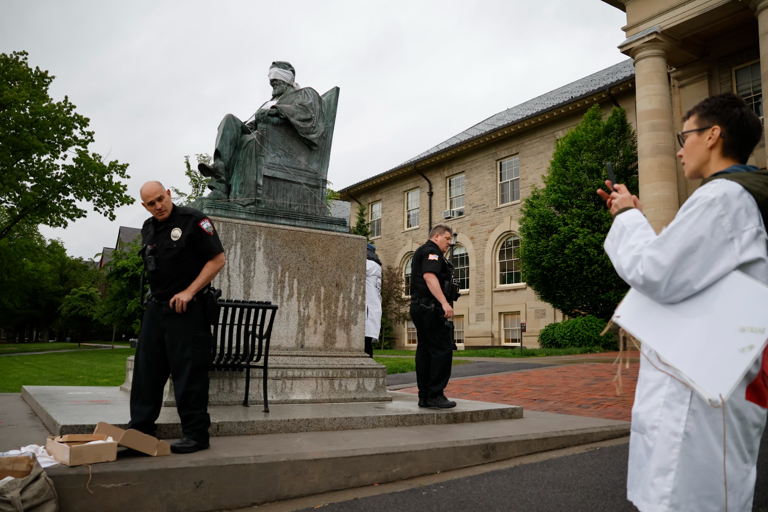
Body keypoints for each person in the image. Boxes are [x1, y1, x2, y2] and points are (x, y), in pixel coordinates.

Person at [597, 92, 768, 512]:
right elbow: (686, 273)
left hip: (703, 376)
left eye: (684, 135)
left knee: (691, 495)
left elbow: (657, 273)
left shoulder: (723, 197)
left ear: (713, 135)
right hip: (724, 362)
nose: (678, 148)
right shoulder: (741, 198)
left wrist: (625, 217)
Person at [127, 181, 226, 454]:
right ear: (144, 206)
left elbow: (217, 259)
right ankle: (139, 433)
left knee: (189, 374)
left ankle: (196, 435)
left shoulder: (195, 220)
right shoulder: (149, 228)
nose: (158, 206)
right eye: (151, 203)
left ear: (169, 194)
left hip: (187, 310)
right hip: (156, 310)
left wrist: (189, 291)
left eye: (161, 199)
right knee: (146, 373)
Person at [198, 61, 324, 204]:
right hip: (259, 134)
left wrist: (277, 111)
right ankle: (220, 181)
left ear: (287, 79)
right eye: (271, 81)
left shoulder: (304, 94)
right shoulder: (269, 102)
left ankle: (223, 178)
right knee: (230, 120)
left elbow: (307, 115)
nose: (272, 84)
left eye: (276, 80)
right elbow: (251, 124)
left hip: (282, 145)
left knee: (249, 140)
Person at [410, 224, 457, 409]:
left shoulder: (421, 251)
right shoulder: (432, 252)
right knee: (442, 349)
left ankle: (425, 396)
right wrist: (444, 303)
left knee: (425, 351)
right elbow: (430, 277)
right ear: (436, 236)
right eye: (447, 239)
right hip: (430, 308)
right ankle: (435, 394)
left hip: (420, 307)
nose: (449, 243)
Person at [365, 243, 382, 358]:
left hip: (368, 310)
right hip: (372, 309)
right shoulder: (376, 266)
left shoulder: (369, 264)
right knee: (366, 344)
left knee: (364, 345)